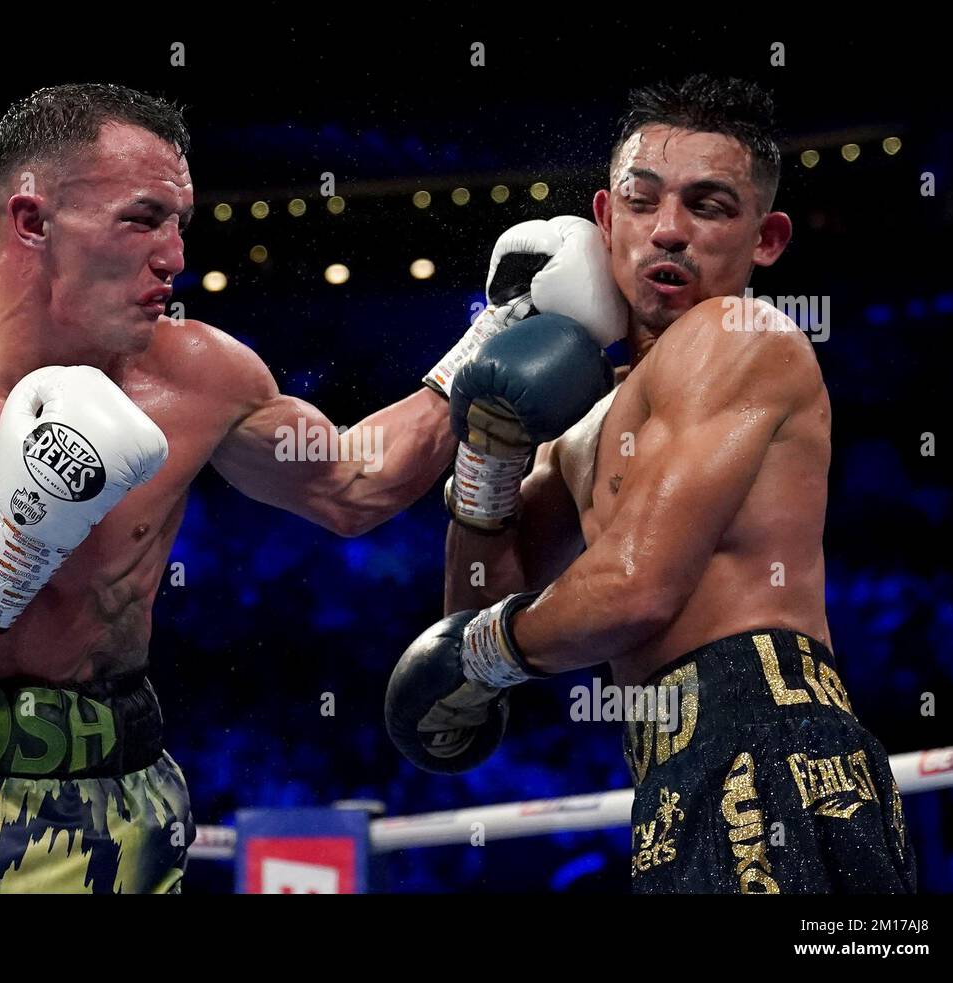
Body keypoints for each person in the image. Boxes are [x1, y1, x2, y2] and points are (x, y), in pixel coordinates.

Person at [0, 82, 619, 893]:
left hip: (103, 816)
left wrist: (496, 332)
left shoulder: (198, 375)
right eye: (142, 221)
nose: (174, 255)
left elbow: (353, 485)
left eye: (178, 221)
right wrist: (25, 531)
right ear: (32, 220)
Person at [387, 75, 917, 893]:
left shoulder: (742, 331)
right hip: (669, 767)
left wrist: (478, 658)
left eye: (708, 206)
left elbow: (633, 589)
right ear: (605, 219)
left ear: (766, 238)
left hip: (771, 745)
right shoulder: (584, 423)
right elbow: (477, 598)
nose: (667, 231)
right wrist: (487, 458)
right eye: (642, 201)